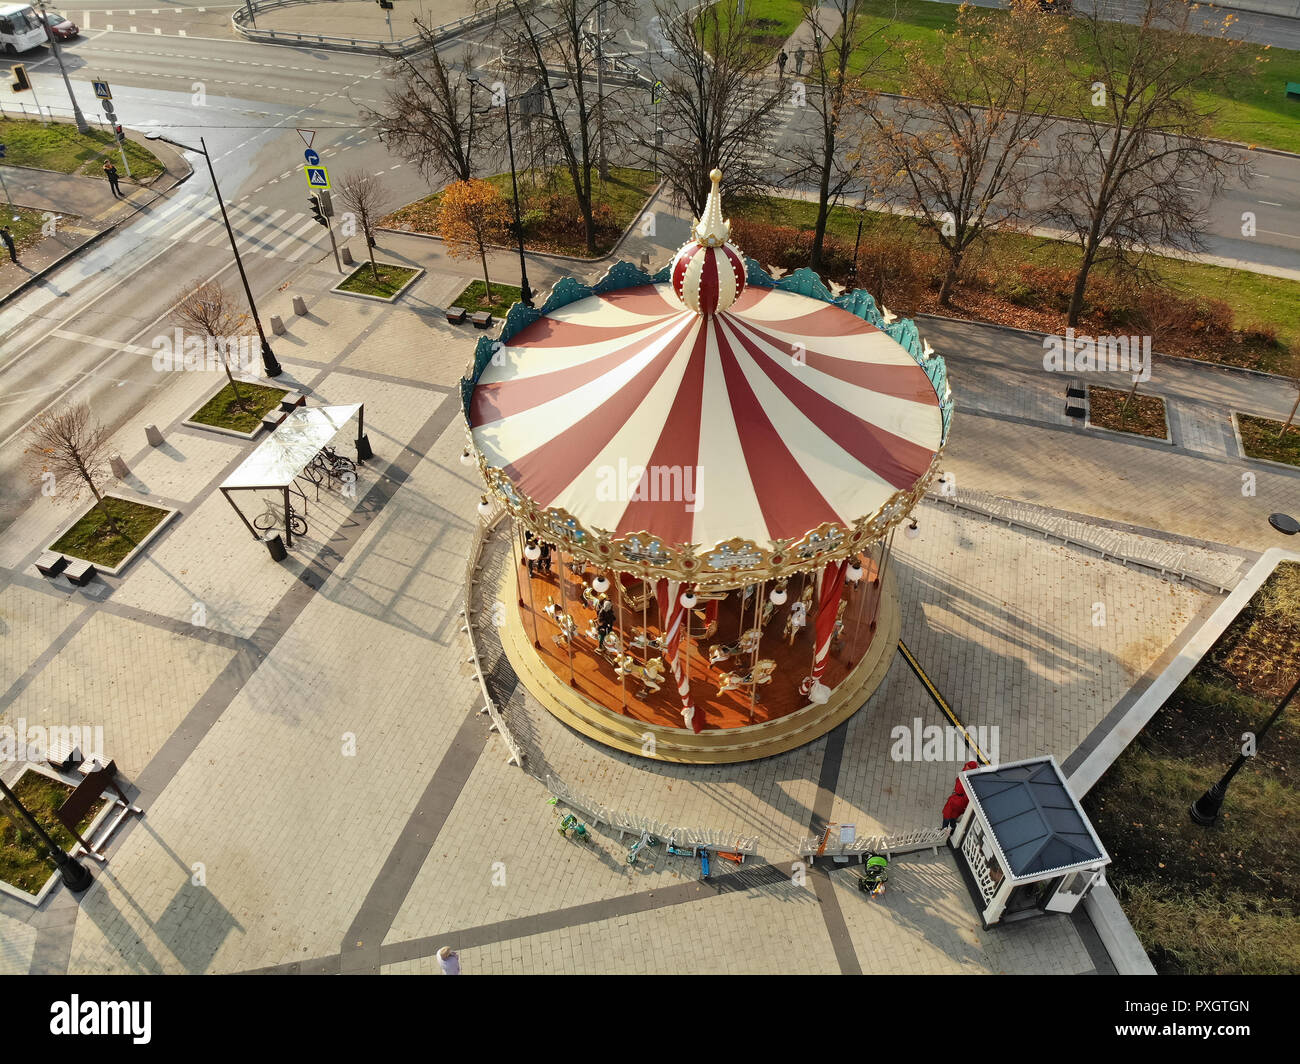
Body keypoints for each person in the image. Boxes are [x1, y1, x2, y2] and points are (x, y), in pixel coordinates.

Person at [941, 760, 980, 832]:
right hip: (960, 803)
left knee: (948, 814)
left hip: (957, 801)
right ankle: (950, 829)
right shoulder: (969, 776)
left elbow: (958, 789)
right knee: (953, 816)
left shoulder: (964, 776)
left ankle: (944, 829)